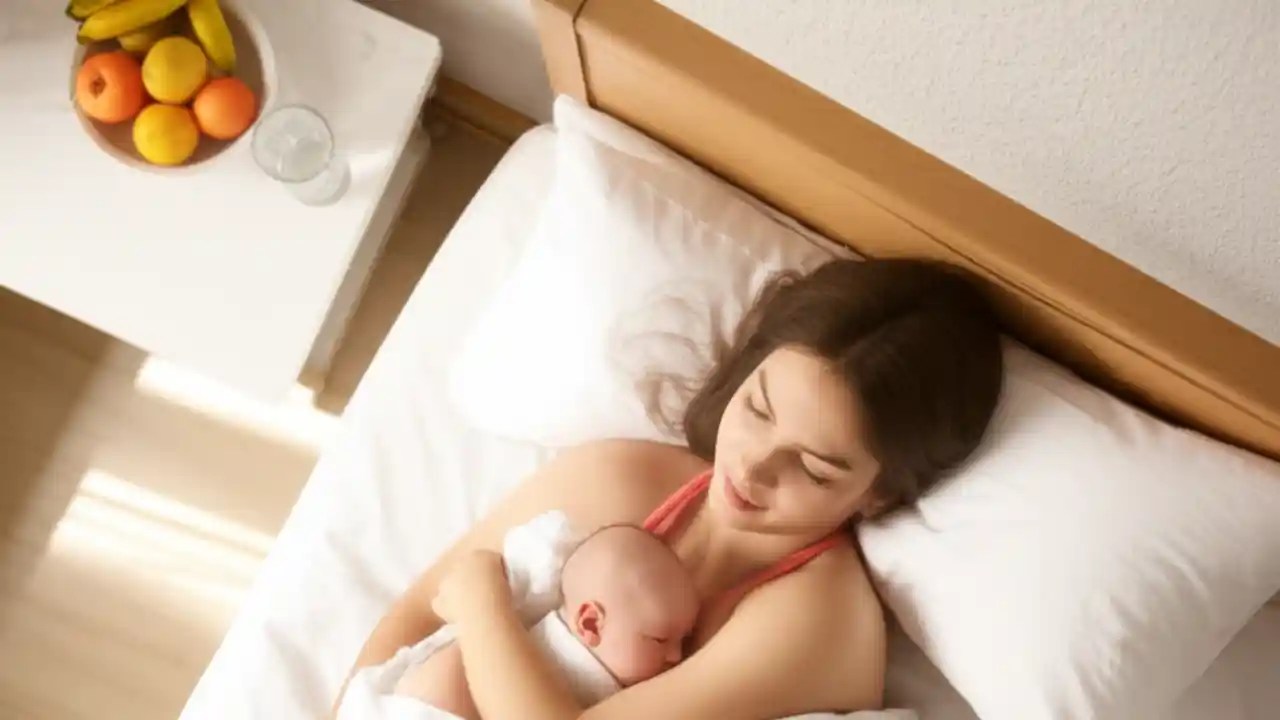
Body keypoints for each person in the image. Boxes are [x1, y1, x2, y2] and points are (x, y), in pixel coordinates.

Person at [336, 258, 1004, 719]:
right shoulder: (624, 476)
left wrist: (483, 605)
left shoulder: (817, 622)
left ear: (877, 496)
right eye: (759, 410)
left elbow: (459, 593)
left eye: (815, 468)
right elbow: (415, 618)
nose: (751, 467)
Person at [392, 524, 699, 717]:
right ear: (590, 624)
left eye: (683, 640)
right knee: (447, 675)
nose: (676, 657)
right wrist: (481, 591)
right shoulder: (542, 641)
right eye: (660, 639)